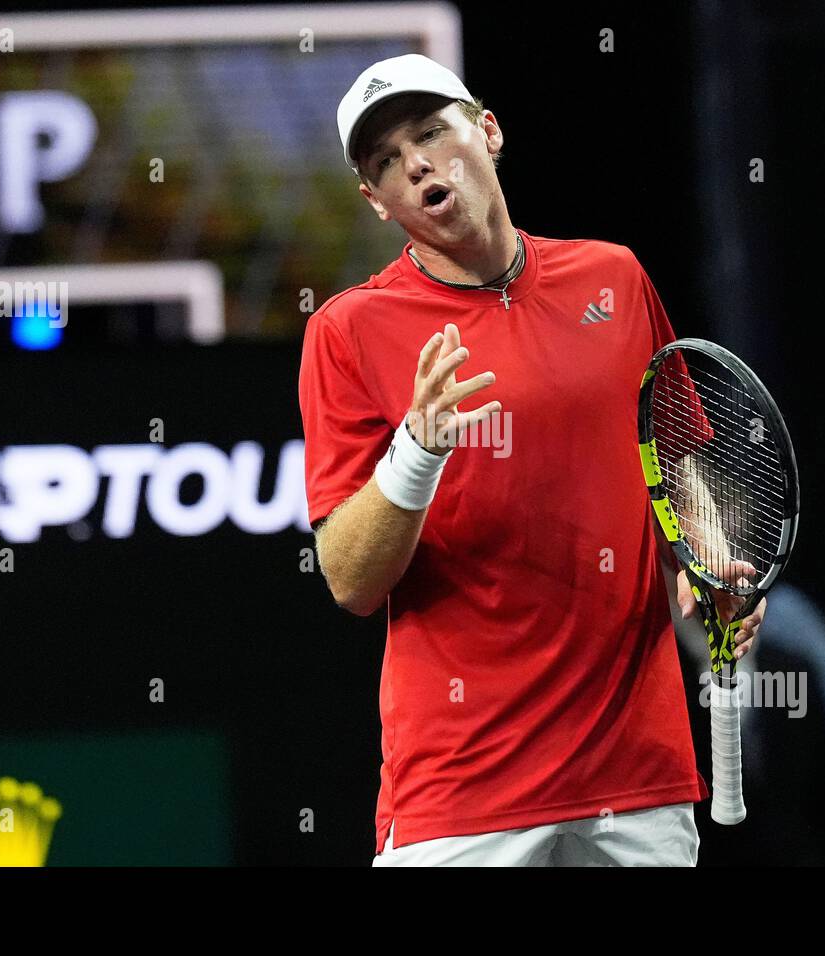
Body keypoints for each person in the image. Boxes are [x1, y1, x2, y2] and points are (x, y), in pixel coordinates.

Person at [298, 53, 766, 866]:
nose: (416, 164)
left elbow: (681, 462)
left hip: (637, 778)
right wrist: (417, 449)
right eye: (385, 162)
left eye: (431, 133)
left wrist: (710, 553)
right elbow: (347, 578)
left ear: (487, 130)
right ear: (377, 203)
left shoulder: (614, 279)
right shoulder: (346, 332)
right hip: (460, 792)